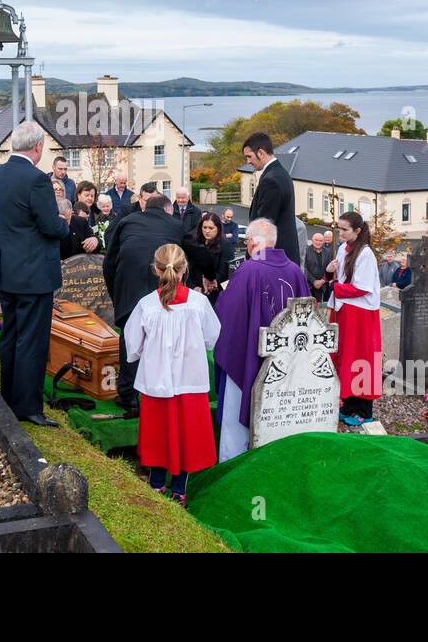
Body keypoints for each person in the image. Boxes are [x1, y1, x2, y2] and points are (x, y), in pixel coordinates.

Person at [123, 243, 221, 507]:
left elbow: (132, 344)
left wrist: (150, 352)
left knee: (158, 435)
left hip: (158, 381)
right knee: (187, 435)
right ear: (185, 268)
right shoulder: (199, 303)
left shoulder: (146, 305)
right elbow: (212, 337)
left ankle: (156, 485)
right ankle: (179, 491)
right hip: (189, 380)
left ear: (157, 270)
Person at [0, 120, 68, 426]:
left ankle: (9, 397)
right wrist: (64, 224)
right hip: (32, 273)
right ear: (37, 147)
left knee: (11, 335)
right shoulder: (36, 180)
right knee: (32, 340)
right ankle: (28, 407)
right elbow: (49, 225)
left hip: (5, 268)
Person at [213, 218, 310, 460]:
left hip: (247, 356)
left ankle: (233, 463)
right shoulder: (295, 271)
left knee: (237, 416)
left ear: (252, 242)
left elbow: (227, 313)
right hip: (284, 361)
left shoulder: (248, 269)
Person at [104, 194, 191, 413]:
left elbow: (109, 260)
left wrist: (116, 294)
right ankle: (164, 391)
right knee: (164, 335)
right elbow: (190, 252)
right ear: (167, 209)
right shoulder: (175, 224)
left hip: (129, 284)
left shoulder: (127, 221)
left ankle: (128, 395)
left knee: (129, 336)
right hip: (161, 283)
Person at [327, 211, 383, 425]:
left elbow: (362, 287)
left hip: (360, 313)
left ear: (357, 231)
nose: (339, 233)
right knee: (344, 356)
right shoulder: (343, 249)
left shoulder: (366, 254)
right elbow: (338, 277)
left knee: (360, 358)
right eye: (338, 228)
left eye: (344, 229)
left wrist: (336, 287)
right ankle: (347, 403)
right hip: (344, 310)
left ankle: (362, 409)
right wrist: (329, 271)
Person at [243, 131, 299, 265]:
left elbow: (263, 225)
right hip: (283, 256)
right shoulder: (280, 173)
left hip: (274, 259)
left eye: (249, 156)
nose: (248, 161)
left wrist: (250, 256)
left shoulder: (271, 181)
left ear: (261, 153)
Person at [187, 211, 228, 305]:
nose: (207, 231)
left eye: (211, 228)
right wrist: (193, 287)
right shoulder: (194, 242)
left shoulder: (225, 245)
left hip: (214, 292)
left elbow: (224, 272)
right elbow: (187, 267)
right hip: (193, 291)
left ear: (218, 229)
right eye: (204, 227)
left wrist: (209, 285)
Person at [304, 232, 332, 302]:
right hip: (308, 284)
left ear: (323, 242)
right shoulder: (306, 251)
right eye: (316, 240)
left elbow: (328, 269)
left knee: (319, 306)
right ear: (312, 240)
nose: (318, 242)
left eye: (320, 241)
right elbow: (304, 268)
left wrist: (322, 280)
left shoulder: (327, 252)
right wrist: (313, 281)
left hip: (321, 286)